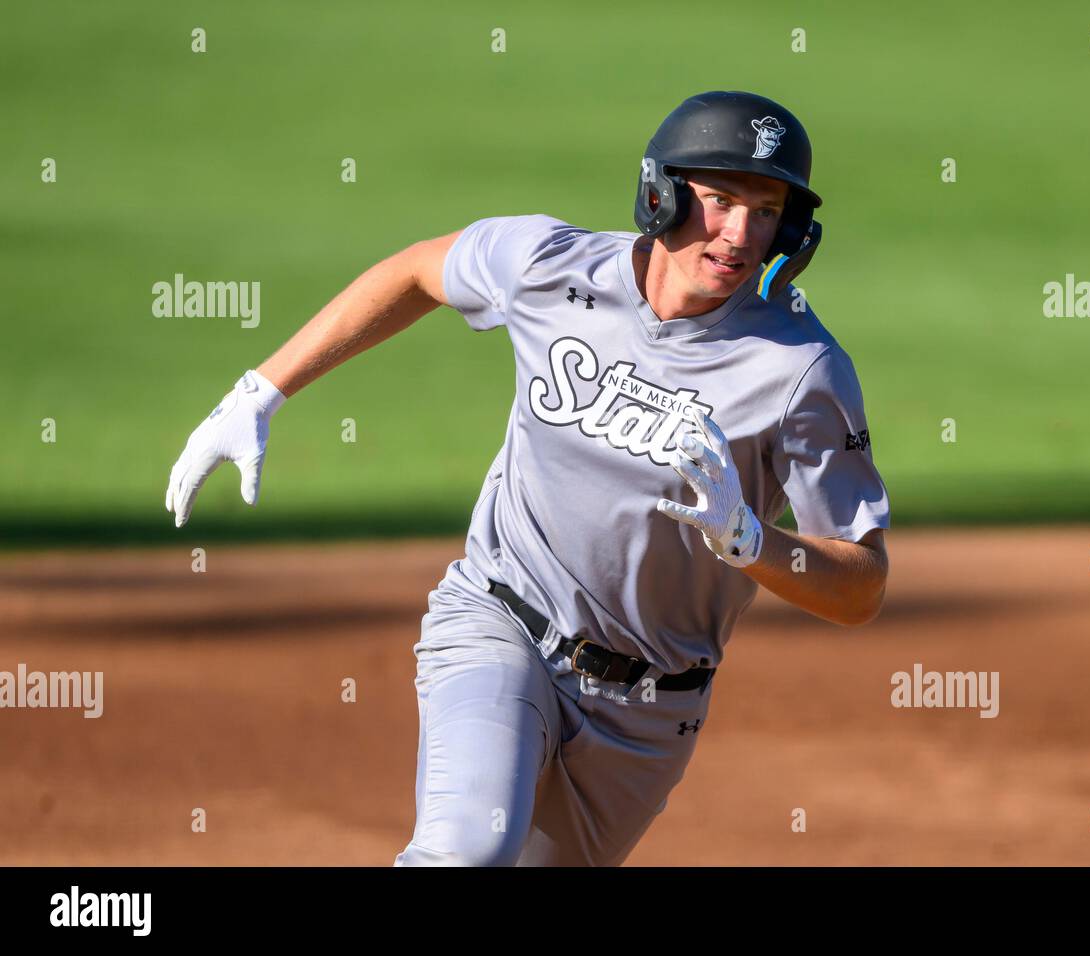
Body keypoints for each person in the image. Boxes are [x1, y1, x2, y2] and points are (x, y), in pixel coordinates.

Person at [165, 90, 891, 866]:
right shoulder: (551, 265)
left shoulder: (802, 371)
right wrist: (263, 389)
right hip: (501, 623)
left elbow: (860, 587)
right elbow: (417, 272)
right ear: (662, 193)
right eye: (719, 200)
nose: (741, 233)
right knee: (467, 855)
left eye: (767, 208)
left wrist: (750, 540)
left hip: (647, 715)